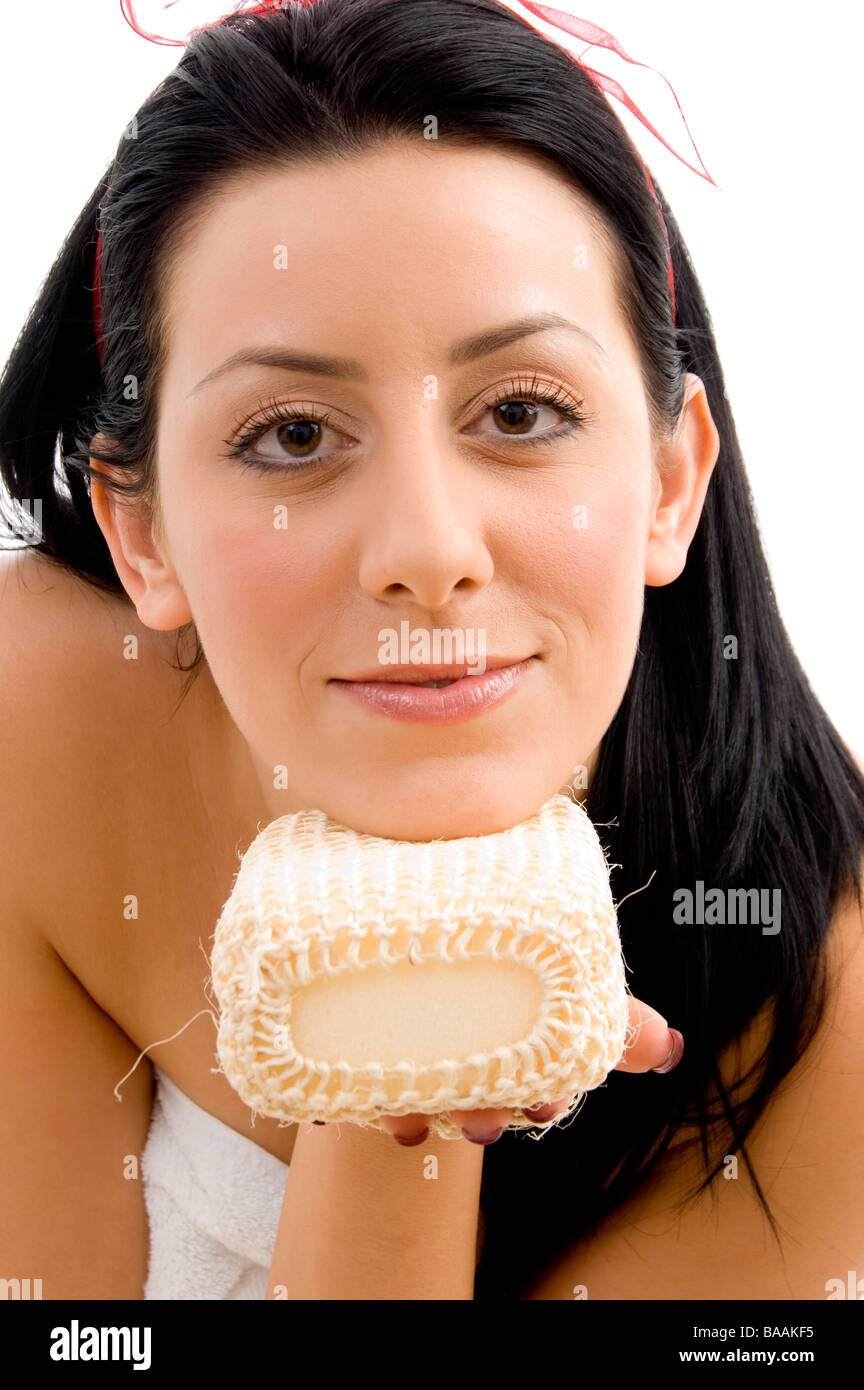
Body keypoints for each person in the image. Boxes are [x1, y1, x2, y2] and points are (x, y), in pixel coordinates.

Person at [1, 0, 862, 1301]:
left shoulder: (824, 1031)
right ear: (143, 532)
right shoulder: (31, 735)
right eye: (292, 435)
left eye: (520, 410)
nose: (424, 545)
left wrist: (420, 1096)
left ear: (671, 483)